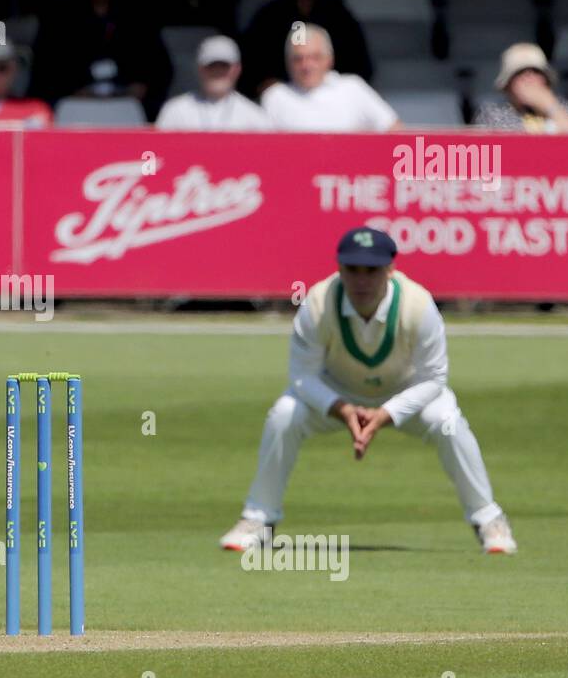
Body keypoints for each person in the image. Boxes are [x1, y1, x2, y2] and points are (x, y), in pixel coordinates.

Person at [218, 227, 517, 556]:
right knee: (284, 415)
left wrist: (388, 413)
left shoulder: (418, 305)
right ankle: (258, 519)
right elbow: (302, 376)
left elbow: (434, 378)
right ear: (339, 268)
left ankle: (488, 518)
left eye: (371, 270)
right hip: (337, 393)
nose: (361, 280)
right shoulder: (318, 303)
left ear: (390, 269)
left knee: (448, 422)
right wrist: (343, 409)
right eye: (352, 270)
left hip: (406, 393)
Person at [29, 0, 173, 120]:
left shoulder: (137, 15)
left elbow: (159, 68)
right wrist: (71, 90)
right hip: (74, 105)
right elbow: (44, 69)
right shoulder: (59, 16)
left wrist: (139, 87)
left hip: (128, 105)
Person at [239, 0, 373, 98]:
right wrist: (268, 87)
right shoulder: (270, 16)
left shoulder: (339, 15)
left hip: (330, 101)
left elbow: (360, 66)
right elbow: (251, 68)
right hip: (283, 100)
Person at [261, 25, 401, 131]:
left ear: (330, 59)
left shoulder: (352, 88)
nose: (306, 66)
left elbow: (394, 129)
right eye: (298, 59)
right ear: (287, 62)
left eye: (315, 57)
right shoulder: (275, 96)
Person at [155, 35, 270, 130]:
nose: (218, 71)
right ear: (199, 69)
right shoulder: (175, 111)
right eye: (212, 66)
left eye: (224, 66)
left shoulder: (254, 116)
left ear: (237, 69)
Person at [473, 43, 568, 133]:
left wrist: (548, 104)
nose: (529, 78)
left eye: (536, 71)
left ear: (546, 80)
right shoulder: (492, 112)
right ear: (507, 84)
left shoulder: (561, 107)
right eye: (520, 72)